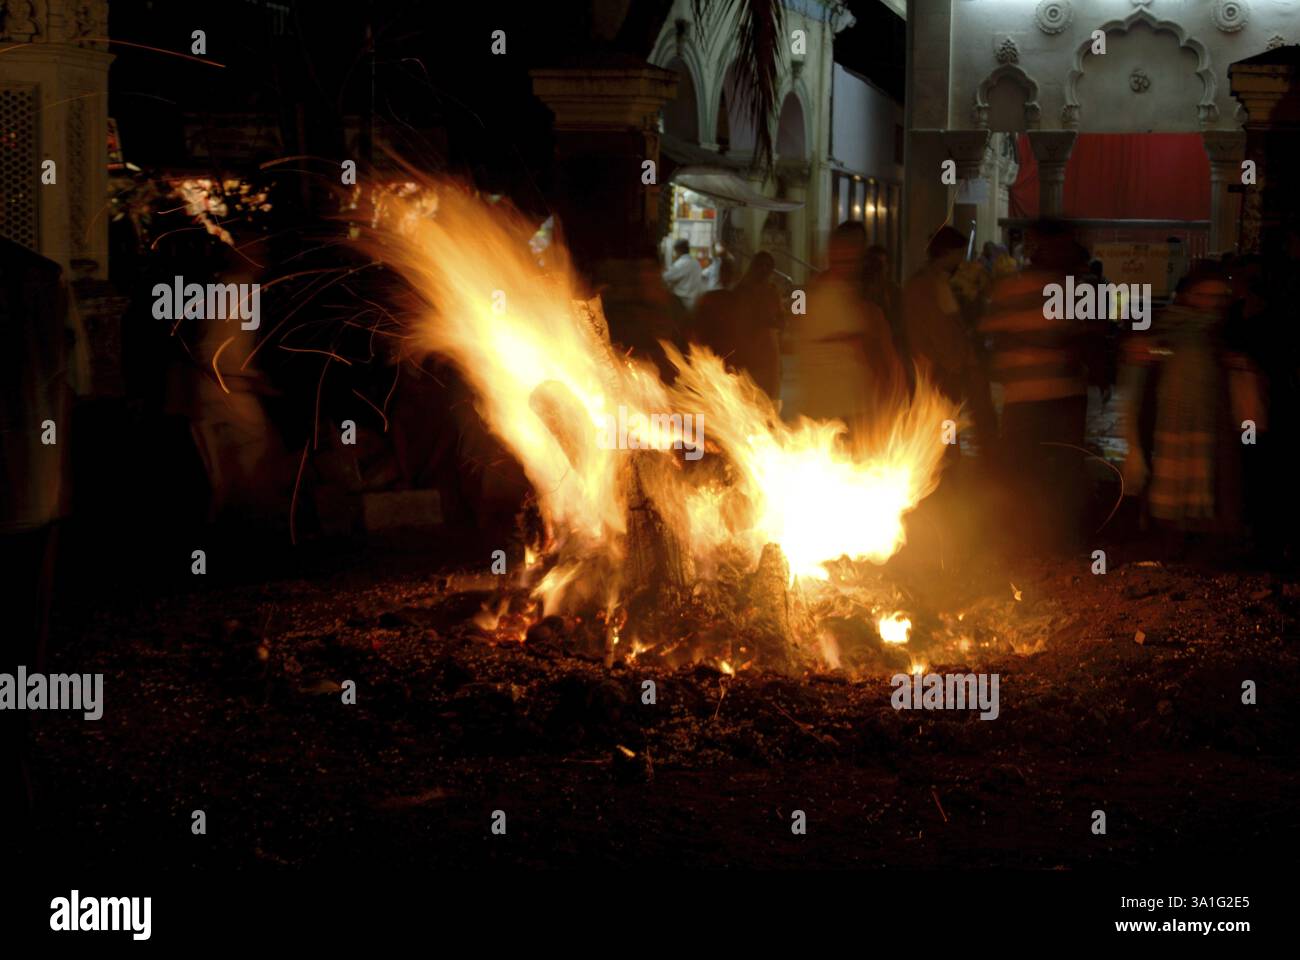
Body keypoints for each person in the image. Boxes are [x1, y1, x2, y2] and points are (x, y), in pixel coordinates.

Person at [981, 221, 1090, 551]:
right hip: (1037, 396)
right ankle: (1035, 537)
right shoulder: (1023, 288)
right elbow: (993, 332)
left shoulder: (1070, 289)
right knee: (1034, 468)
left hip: (1052, 395)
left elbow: (1087, 334)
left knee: (1049, 469)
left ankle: (1048, 536)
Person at [788, 222, 903, 431]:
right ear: (832, 253)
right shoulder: (821, 294)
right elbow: (866, 348)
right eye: (846, 254)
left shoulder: (839, 293)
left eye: (855, 256)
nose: (852, 263)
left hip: (847, 405)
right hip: (835, 409)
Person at [662, 239, 704, 315]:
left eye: (675, 251)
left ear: (679, 250)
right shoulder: (696, 263)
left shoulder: (681, 263)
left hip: (683, 303)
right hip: (695, 302)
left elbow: (665, 277)